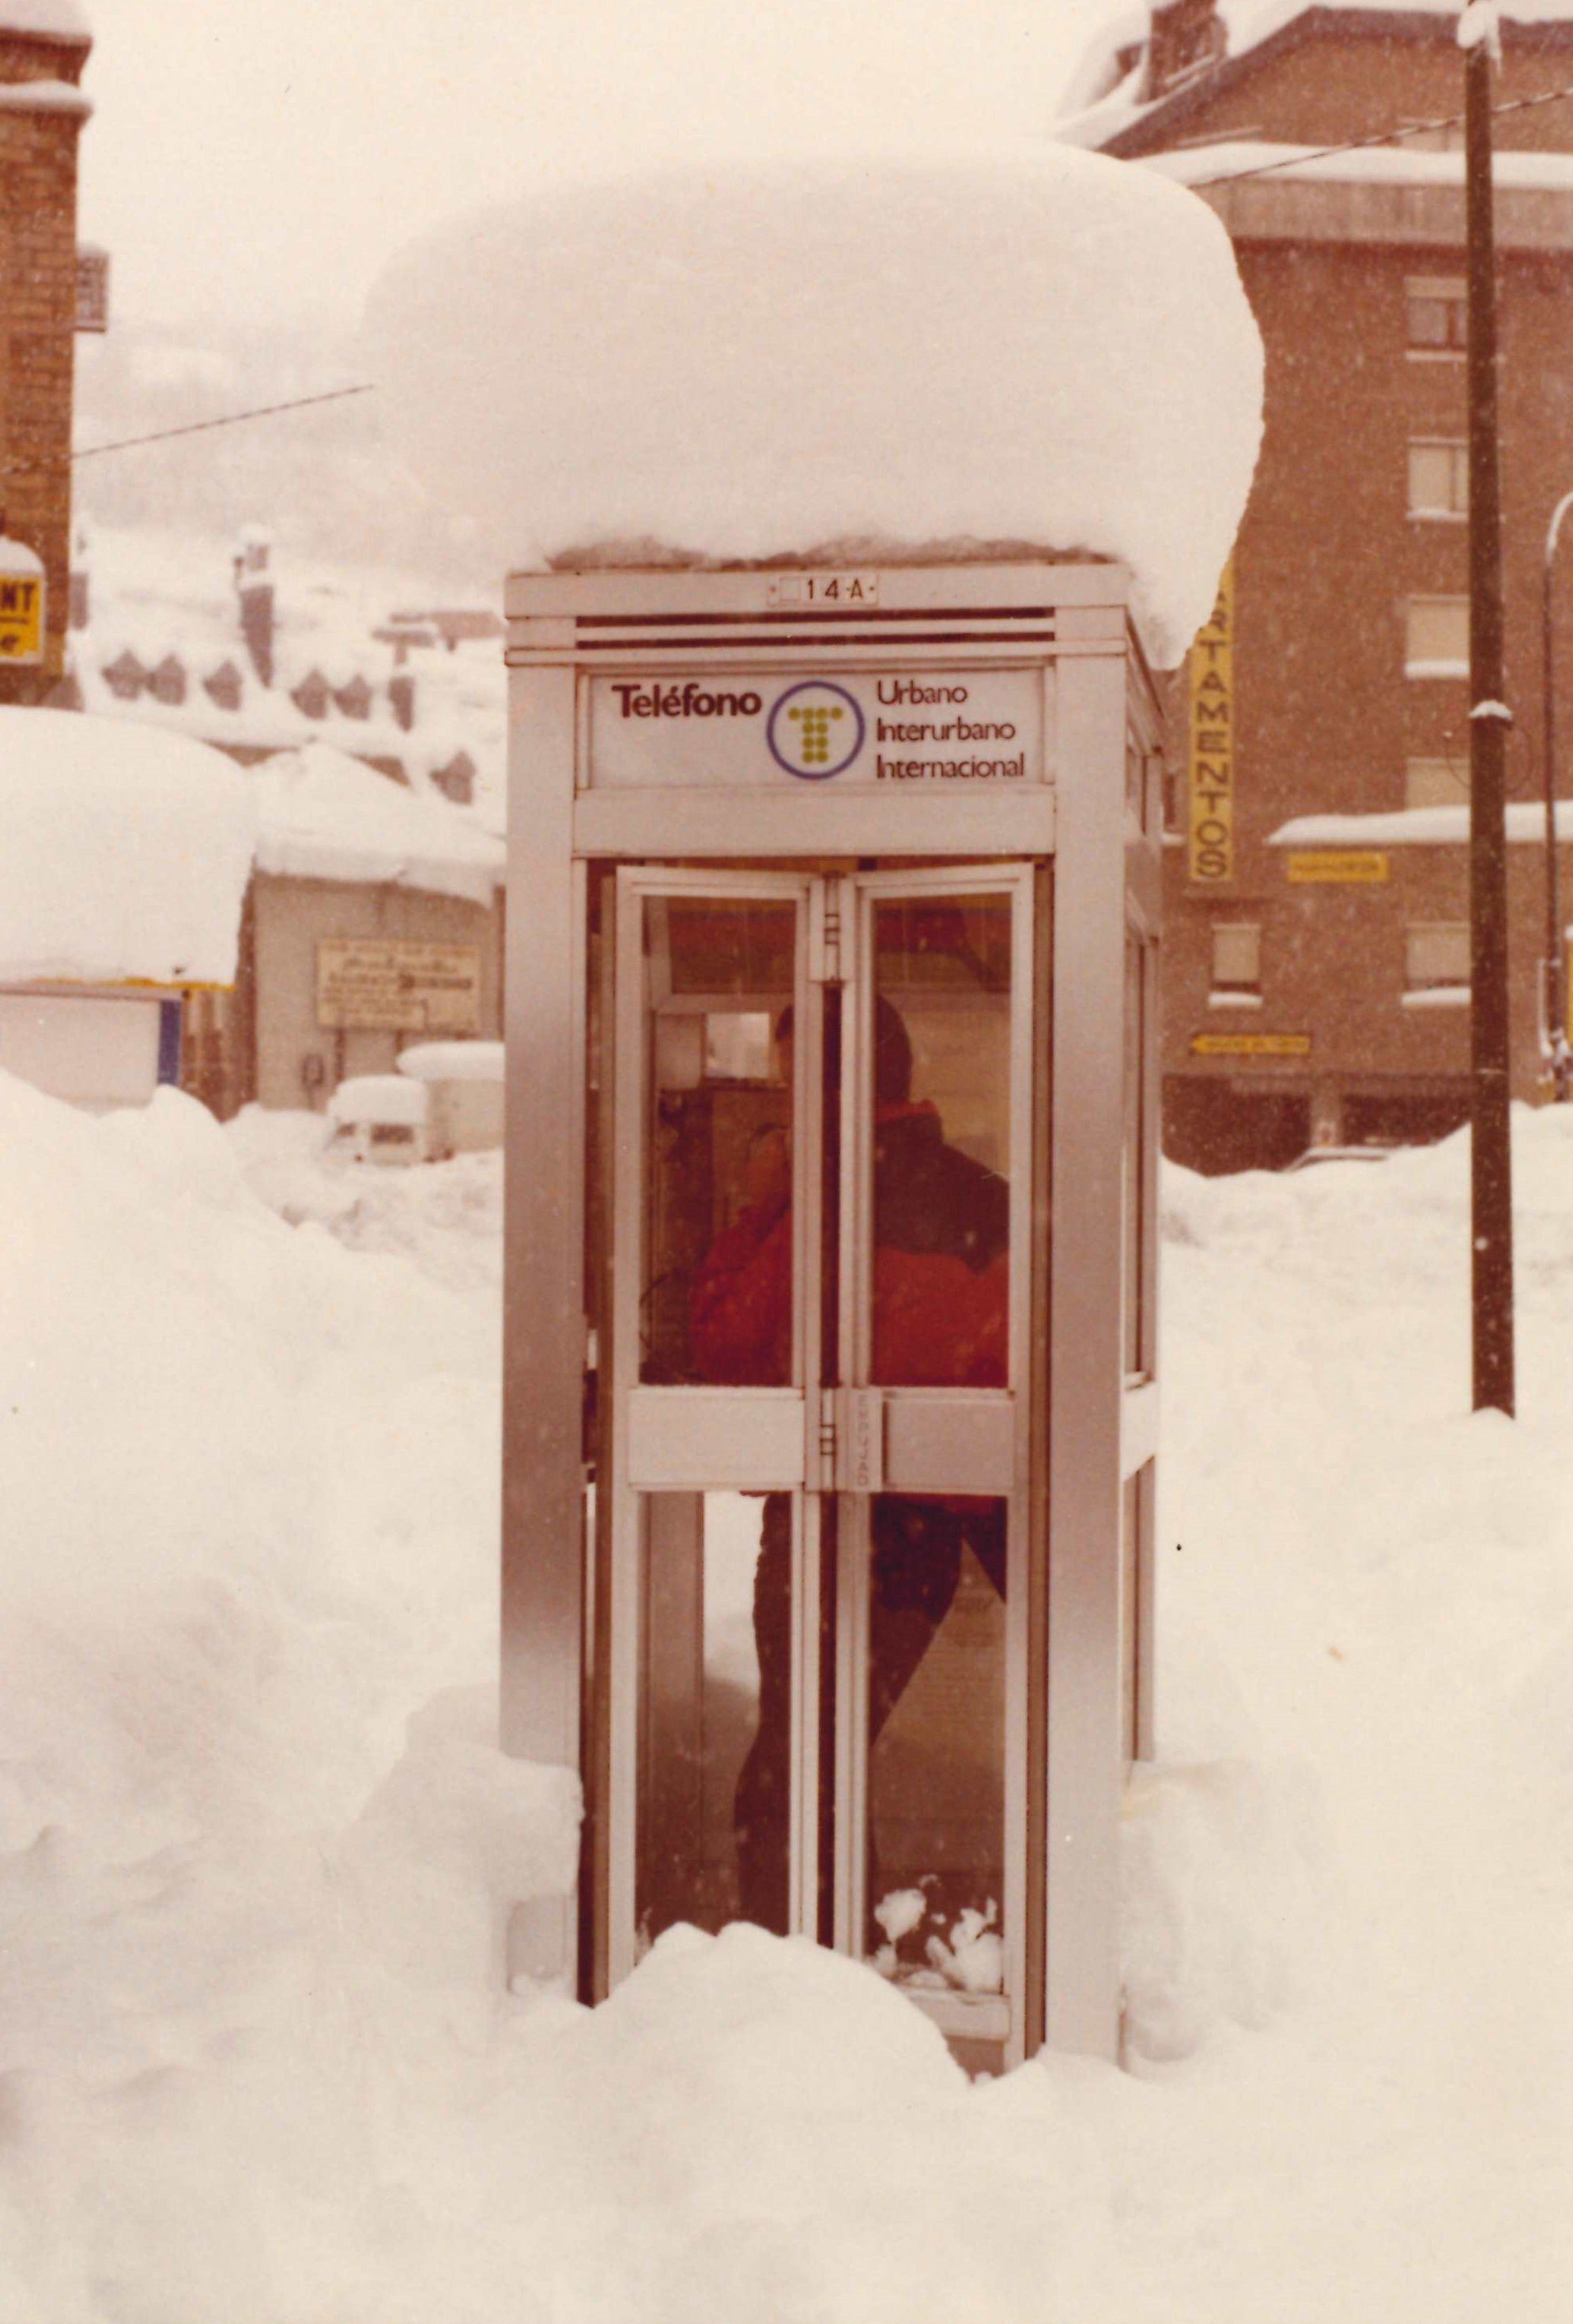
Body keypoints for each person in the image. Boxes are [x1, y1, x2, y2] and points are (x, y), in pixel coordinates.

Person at [689, 994, 1008, 1934]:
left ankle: (801, 1975)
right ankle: (850, 1947)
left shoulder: (821, 1204)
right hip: (925, 1542)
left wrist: (760, 1207)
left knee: (787, 1780)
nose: (782, 1107)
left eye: (789, 1085)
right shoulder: (983, 1196)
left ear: (827, 1089)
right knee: (822, 1761)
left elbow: (724, 1341)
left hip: (830, 1529)